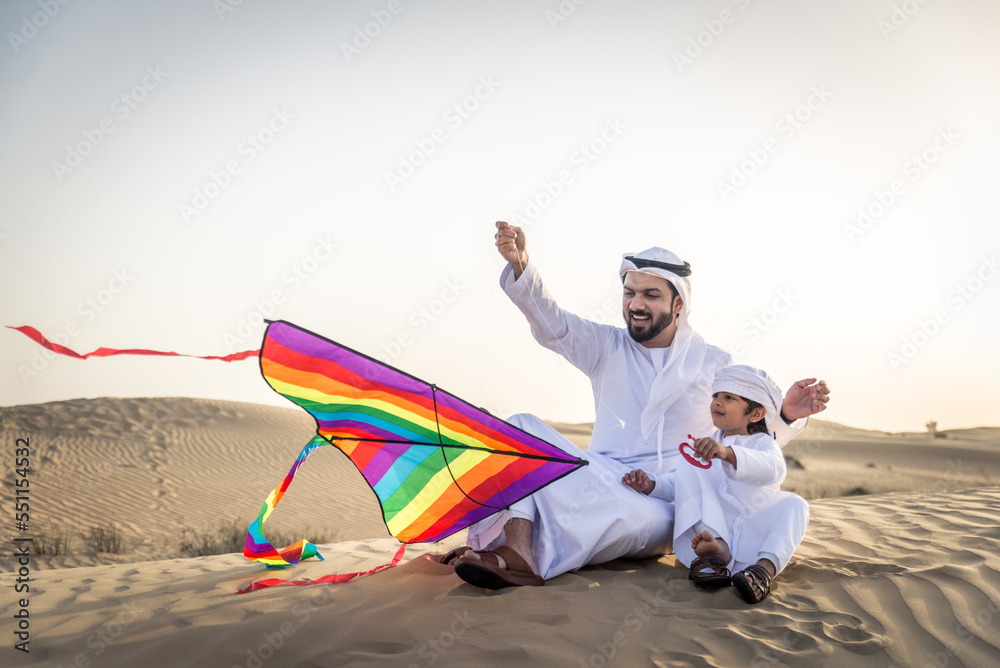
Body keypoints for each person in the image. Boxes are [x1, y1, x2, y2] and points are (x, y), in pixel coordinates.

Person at [447, 221, 829, 590]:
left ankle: (502, 554)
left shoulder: (711, 362)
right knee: (520, 427)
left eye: (651, 295)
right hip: (598, 475)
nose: (636, 304)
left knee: (626, 517)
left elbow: (746, 440)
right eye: (630, 293)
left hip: (664, 501)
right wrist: (521, 267)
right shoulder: (606, 346)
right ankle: (515, 550)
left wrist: (787, 415)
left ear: (678, 303)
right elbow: (554, 325)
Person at [622, 364, 810, 604]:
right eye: (715, 396)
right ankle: (716, 552)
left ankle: (763, 571)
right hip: (714, 525)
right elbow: (678, 482)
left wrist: (728, 454)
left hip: (756, 524)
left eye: (729, 397)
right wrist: (650, 484)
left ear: (755, 414)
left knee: (796, 505)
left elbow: (773, 470)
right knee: (690, 467)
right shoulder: (705, 443)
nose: (717, 402)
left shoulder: (763, 443)